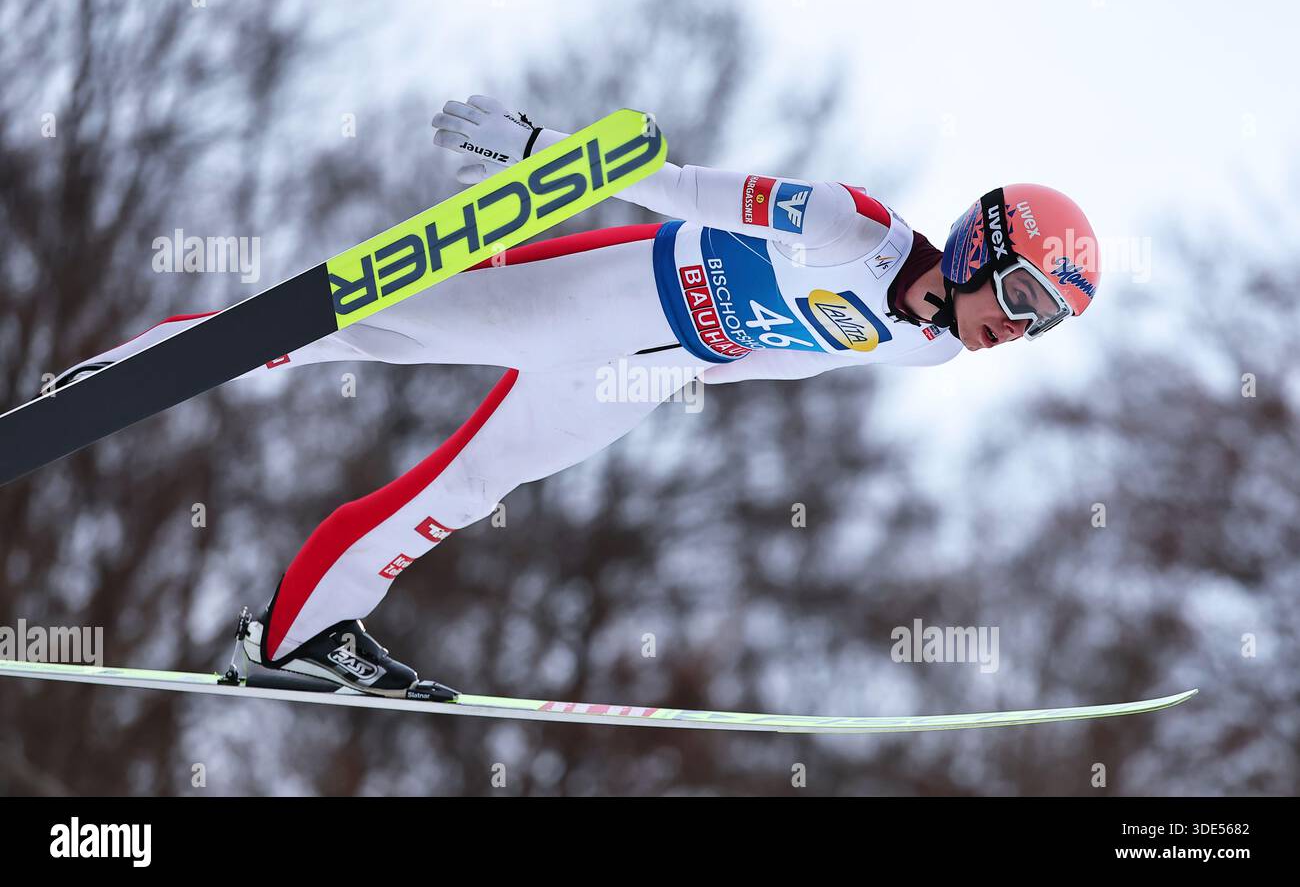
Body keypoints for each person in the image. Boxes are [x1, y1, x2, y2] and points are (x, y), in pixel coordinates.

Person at [58, 96, 1101, 697]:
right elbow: (683, 187)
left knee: (461, 491)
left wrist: (698, 367)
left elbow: (789, 359)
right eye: (1018, 294)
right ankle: (122, 373)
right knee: (357, 329)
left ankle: (294, 637)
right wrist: (535, 160)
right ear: (978, 245)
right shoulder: (851, 225)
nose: (1013, 328)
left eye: (1039, 322)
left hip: (647, 370)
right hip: (605, 290)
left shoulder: (926, 355)